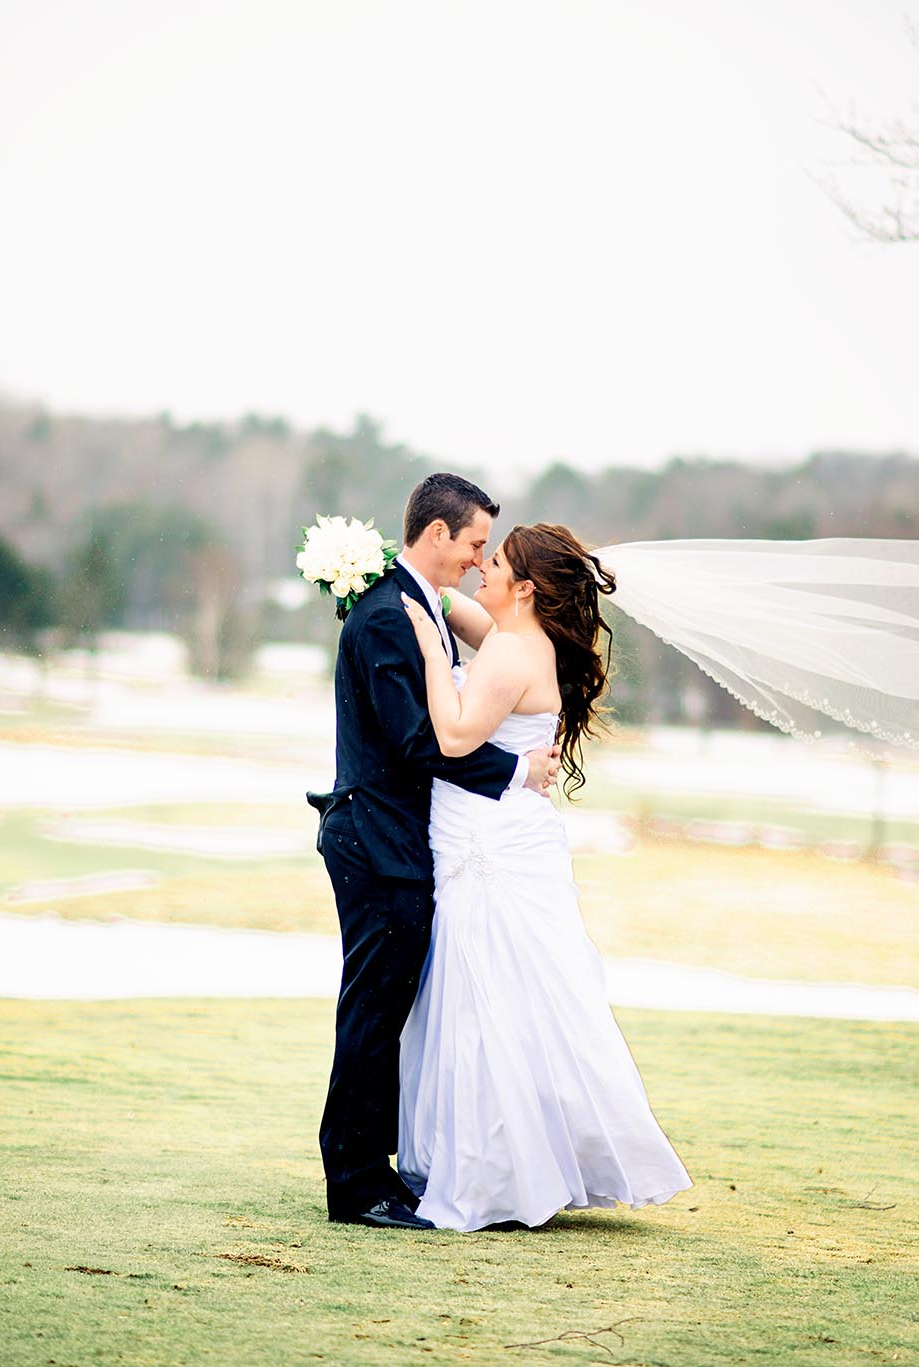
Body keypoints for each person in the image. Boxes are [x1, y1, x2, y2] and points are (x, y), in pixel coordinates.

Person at [394, 522, 692, 1231]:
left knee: (484, 996)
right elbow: (468, 616)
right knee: (519, 994)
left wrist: (432, 649)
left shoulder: (508, 655)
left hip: (487, 847)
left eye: (491, 563)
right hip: (508, 836)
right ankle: (534, 1156)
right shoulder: (524, 641)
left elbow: (457, 735)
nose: (480, 571)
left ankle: (494, 1168)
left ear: (525, 587)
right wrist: (418, 583)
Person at [309, 473, 562, 1230]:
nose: (479, 560)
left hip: (398, 841)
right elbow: (419, 740)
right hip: (377, 841)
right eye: (475, 543)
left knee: (386, 1009)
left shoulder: (412, 600)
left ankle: (377, 1168)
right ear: (439, 534)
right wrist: (515, 769)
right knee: (371, 1011)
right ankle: (354, 1183)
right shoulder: (390, 614)